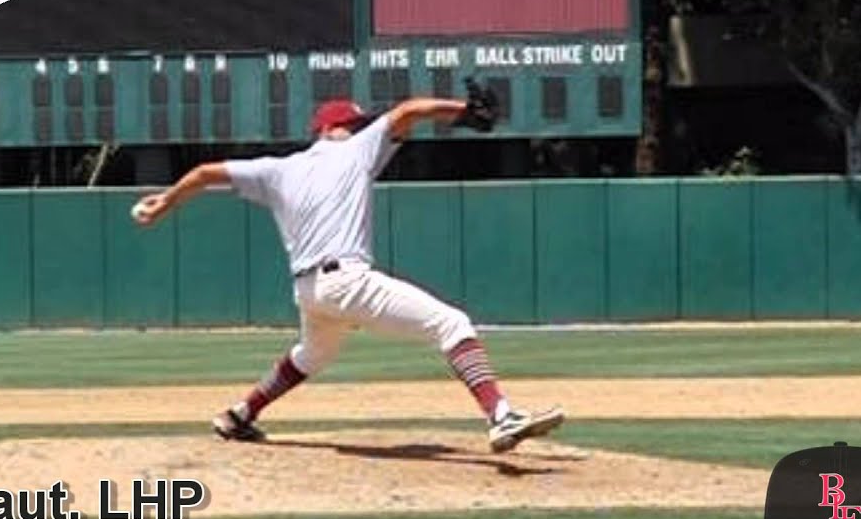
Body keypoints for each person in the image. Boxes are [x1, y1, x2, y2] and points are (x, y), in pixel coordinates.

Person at [132, 84, 565, 453]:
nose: (359, 131)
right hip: (346, 281)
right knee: (452, 324)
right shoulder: (357, 148)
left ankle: (239, 415)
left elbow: (206, 172)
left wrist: (165, 202)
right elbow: (410, 110)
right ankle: (501, 415)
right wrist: (464, 112)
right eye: (355, 126)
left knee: (311, 355)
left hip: (309, 291)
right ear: (339, 129)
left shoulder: (278, 169)